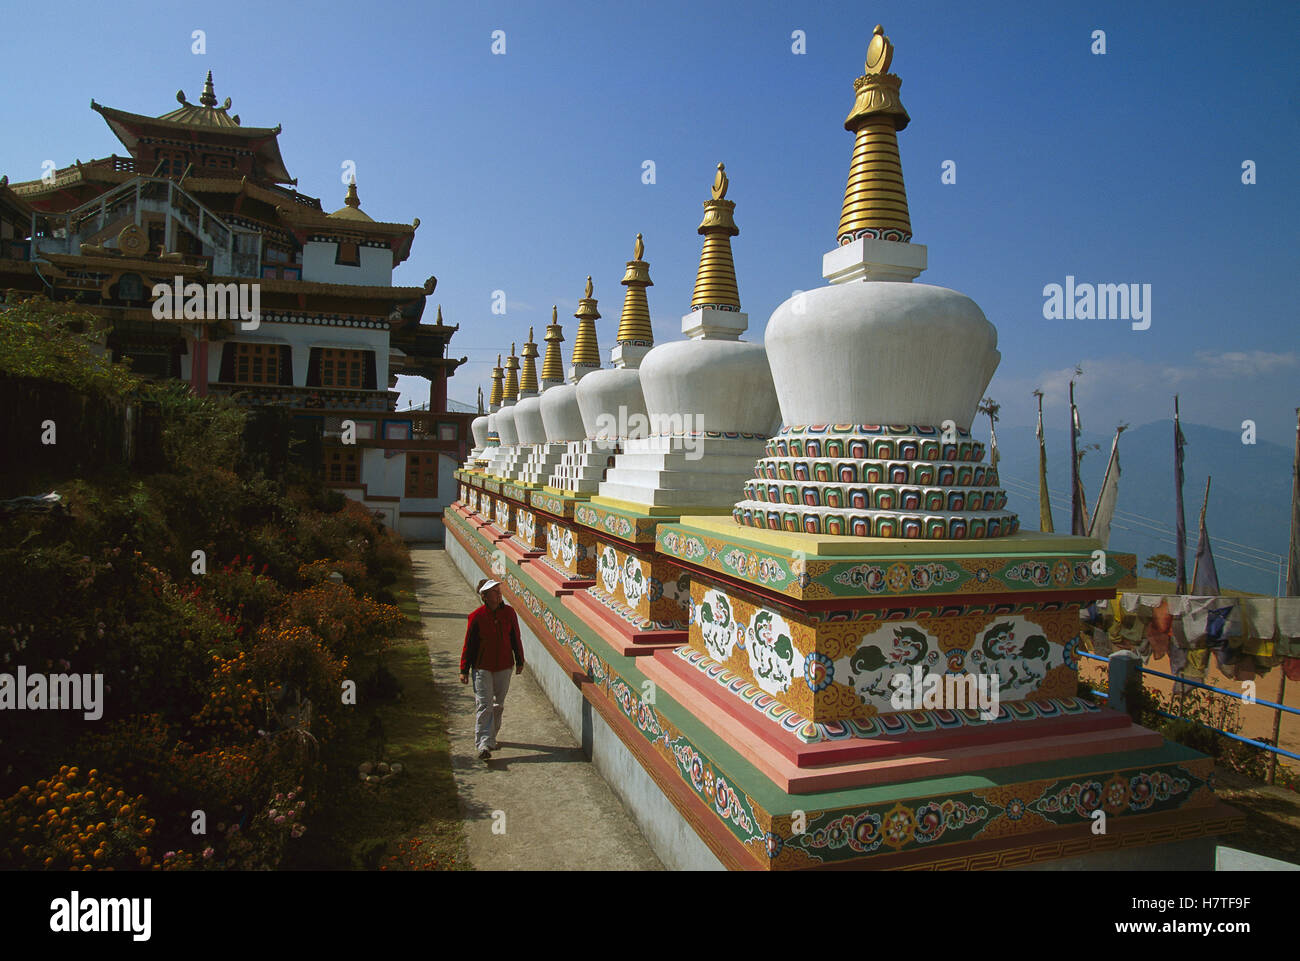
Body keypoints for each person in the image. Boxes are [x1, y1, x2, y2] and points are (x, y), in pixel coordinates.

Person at [460, 578, 525, 760]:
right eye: (494, 592)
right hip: (482, 667)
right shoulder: (477, 616)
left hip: (504, 665)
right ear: (485, 596)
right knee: (484, 704)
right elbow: (469, 644)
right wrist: (464, 669)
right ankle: (483, 744)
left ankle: (491, 737)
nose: (499, 594)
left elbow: (515, 638)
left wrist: (519, 660)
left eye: (499, 591)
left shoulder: (509, 613)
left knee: (498, 704)